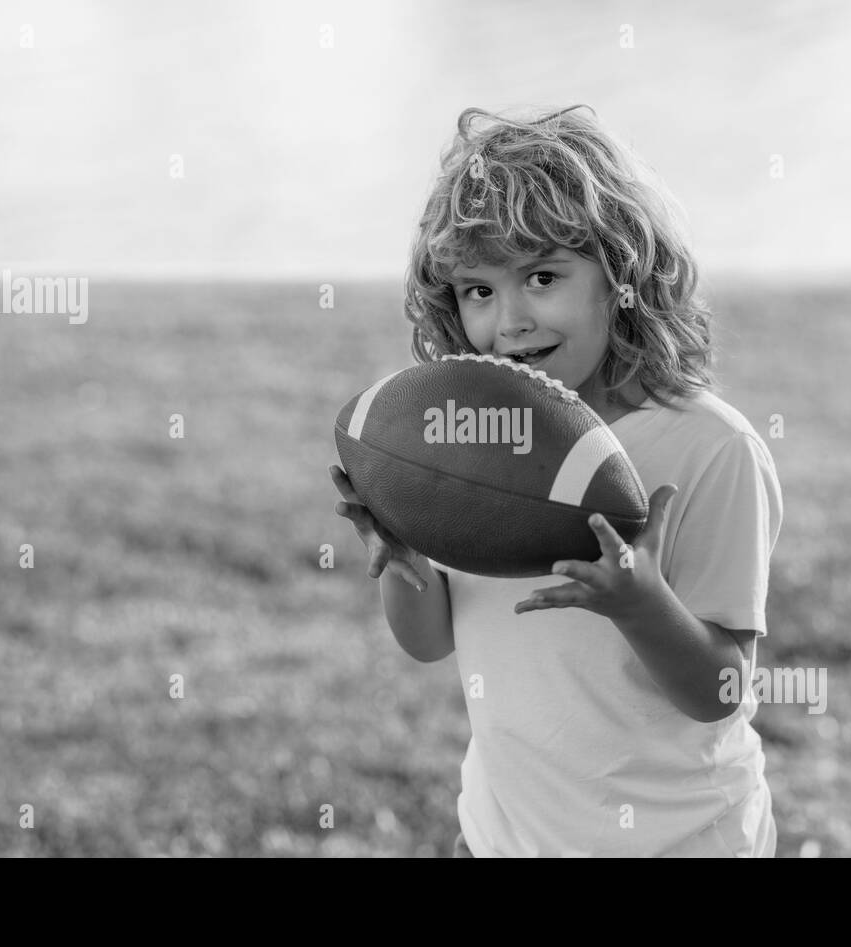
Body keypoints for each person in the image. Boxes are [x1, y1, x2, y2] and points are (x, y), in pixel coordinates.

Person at [331, 105, 782, 857]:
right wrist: (405, 559)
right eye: (478, 290)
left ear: (623, 273)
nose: (508, 321)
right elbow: (431, 641)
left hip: (678, 843)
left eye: (542, 277)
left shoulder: (710, 446)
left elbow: (719, 693)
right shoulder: (470, 437)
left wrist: (640, 604)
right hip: (505, 835)